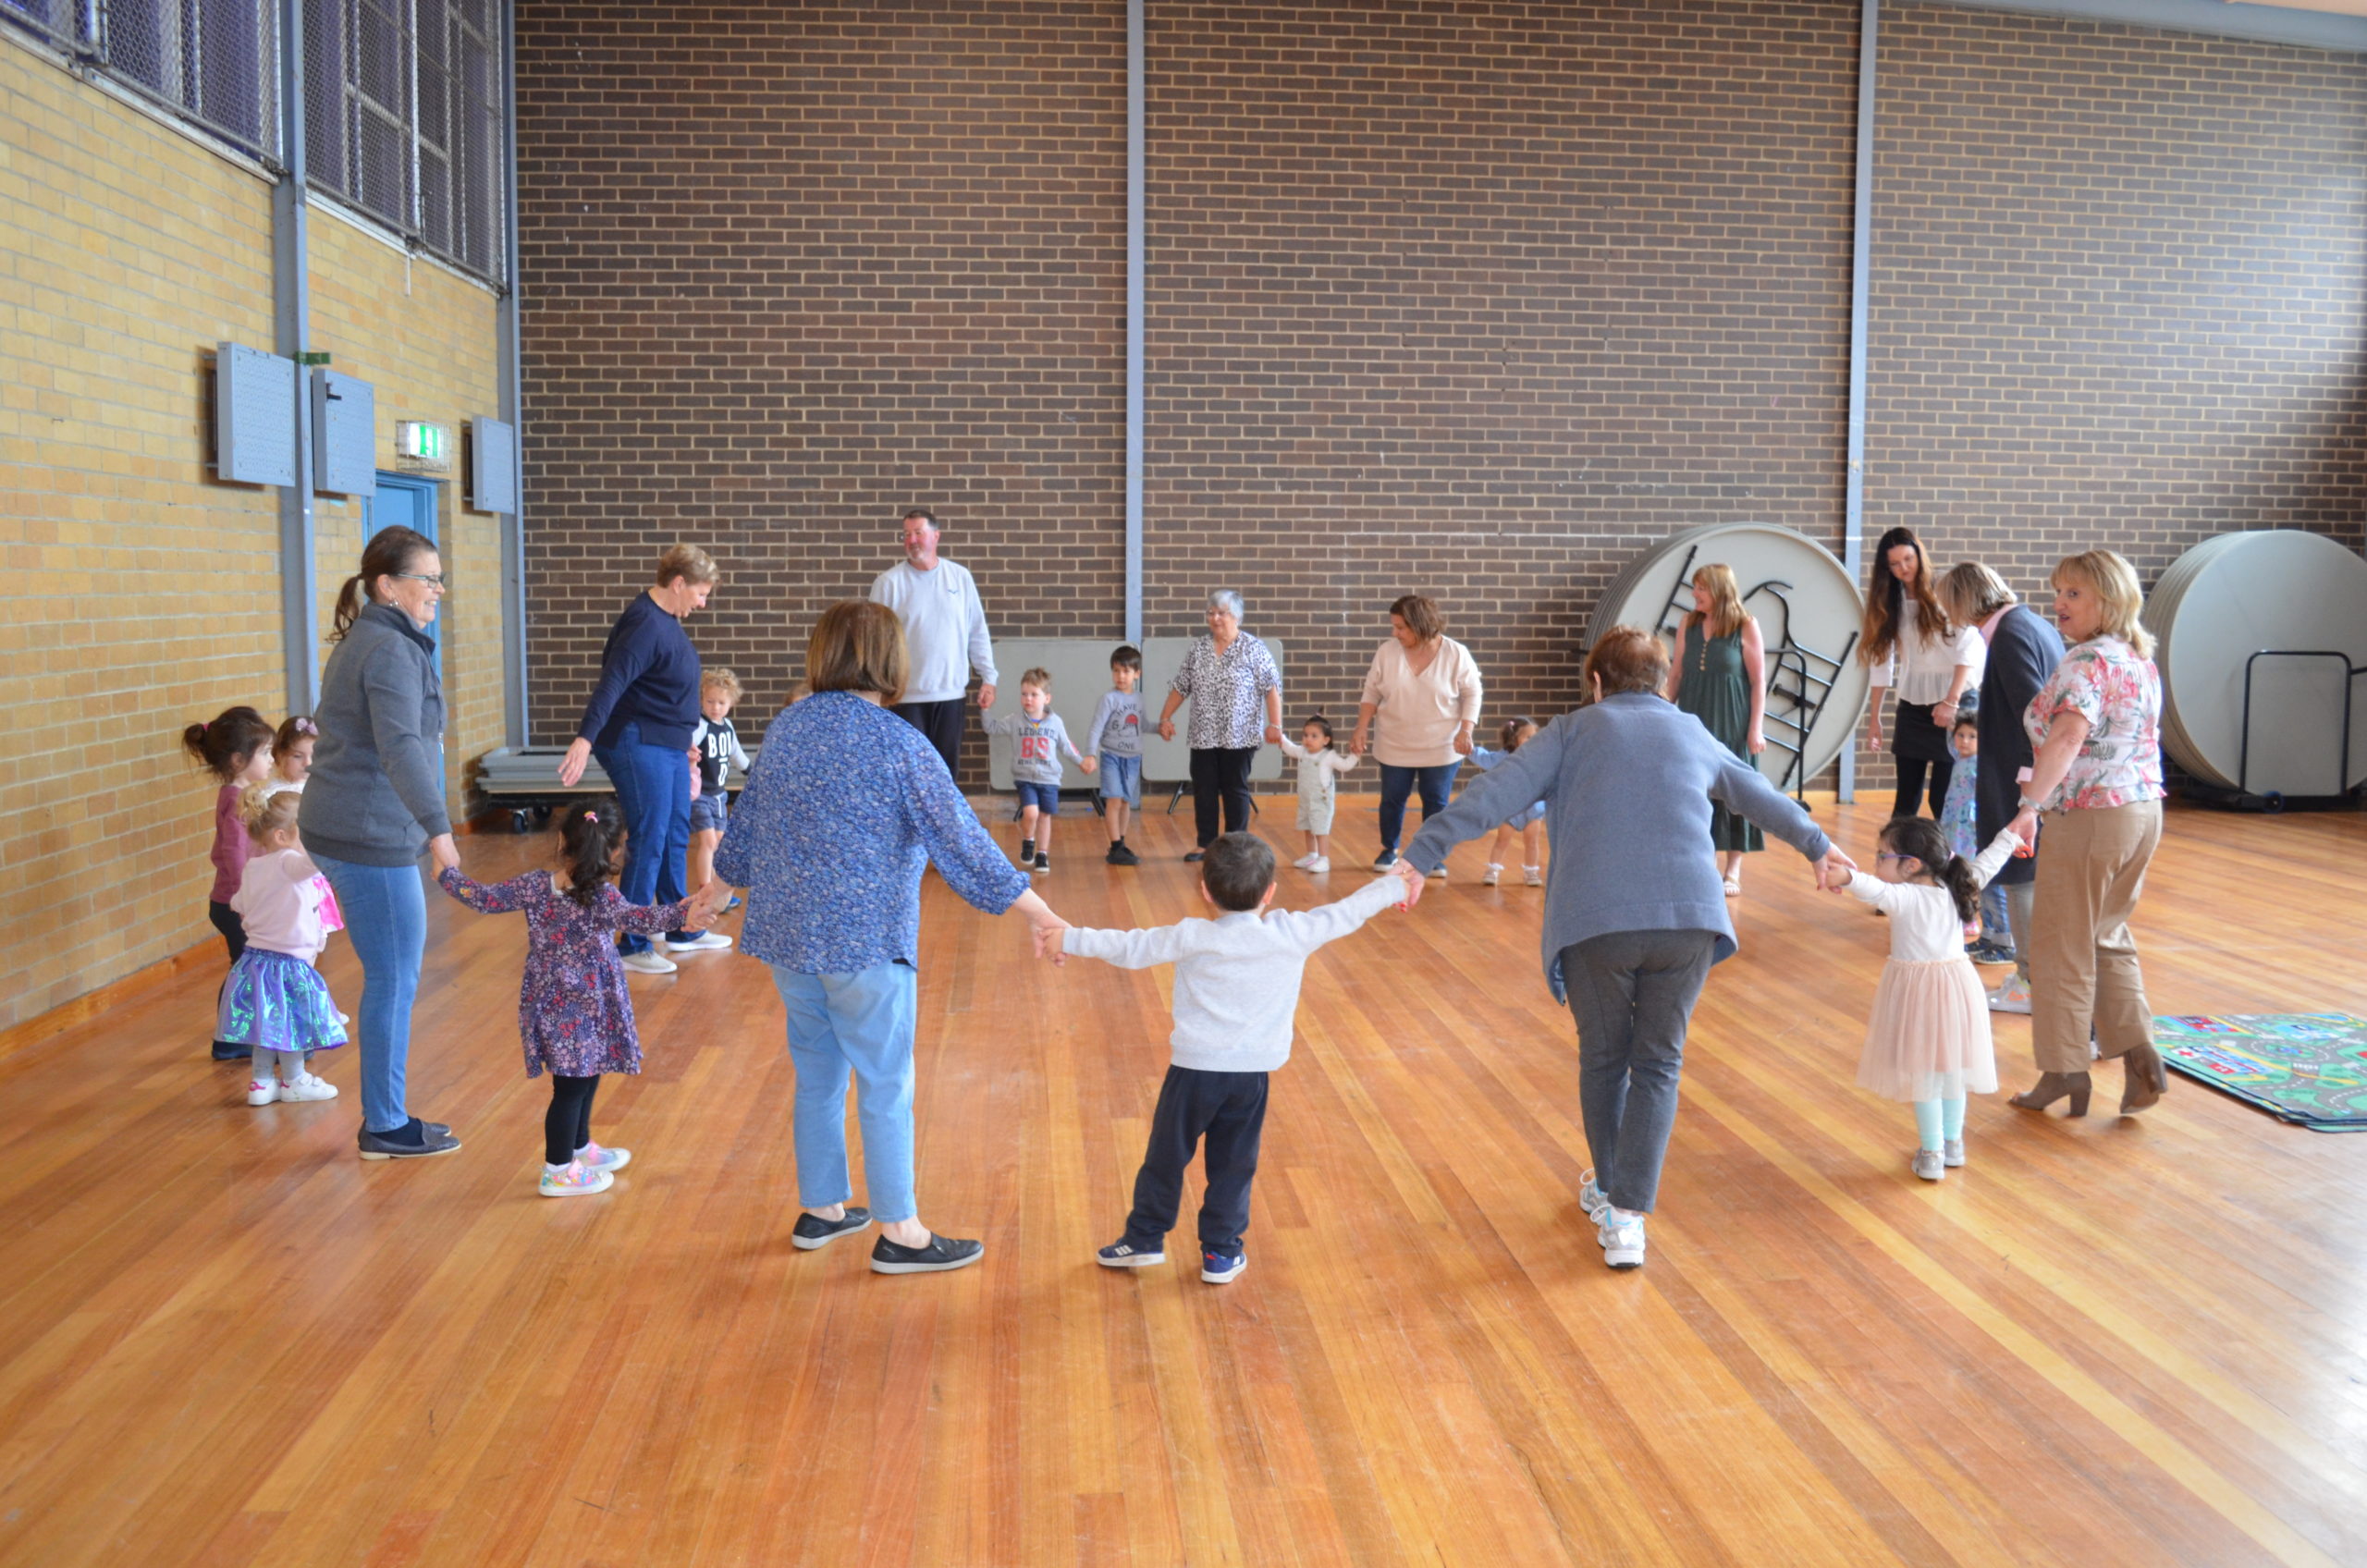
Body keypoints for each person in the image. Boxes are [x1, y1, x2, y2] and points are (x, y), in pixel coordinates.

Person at [1400, 627, 1853, 1271]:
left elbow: (1494, 795)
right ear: (1663, 681)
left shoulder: (1570, 730)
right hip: (1689, 921)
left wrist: (1423, 853)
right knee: (1659, 1064)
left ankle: (1618, 1202)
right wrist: (1816, 844)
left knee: (1607, 1060)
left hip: (1598, 924)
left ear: (1596, 682)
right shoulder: (1690, 729)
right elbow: (1756, 792)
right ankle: (1626, 1210)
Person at [711, 600, 1068, 1275]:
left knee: (817, 1076)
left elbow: (747, 824)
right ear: (891, 663)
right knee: (884, 1082)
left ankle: (822, 1210)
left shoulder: (788, 727)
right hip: (866, 947)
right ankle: (900, 1230)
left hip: (789, 942)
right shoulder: (899, 743)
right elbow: (961, 841)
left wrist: (719, 884)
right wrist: (1037, 910)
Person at [1040, 833, 1411, 1285]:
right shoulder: (1292, 933)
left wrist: (1067, 936)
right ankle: (1221, 1252)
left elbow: (1129, 946)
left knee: (1165, 1157)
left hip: (1193, 1073)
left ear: (1205, 890)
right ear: (1270, 892)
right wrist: (1395, 884)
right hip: (1250, 1078)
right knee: (1234, 1165)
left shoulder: (1193, 936)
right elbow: (1347, 912)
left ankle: (1143, 1240)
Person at [438, 800, 726, 1198]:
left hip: (556, 1002)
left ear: (562, 840)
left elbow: (483, 898)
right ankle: (558, 1170)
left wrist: (447, 875)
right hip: (583, 1004)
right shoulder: (603, 898)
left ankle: (578, 1149)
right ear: (615, 851)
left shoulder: (537, 887)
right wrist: (685, 911)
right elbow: (642, 920)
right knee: (572, 1087)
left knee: (584, 1075)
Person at [300, 524, 463, 1159]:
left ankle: (385, 1116)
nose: (438, 590)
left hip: (347, 823)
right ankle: (384, 1125)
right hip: (366, 834)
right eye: (428, 578)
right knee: (393, 978)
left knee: (390, 975)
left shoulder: (374, 636)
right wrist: (439, 828)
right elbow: (399, 747)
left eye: (439, 578)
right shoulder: (389, 649)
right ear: (387, 585)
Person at [2005, 550, 2169, 1119]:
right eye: (2059, 592)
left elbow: (2068, 737)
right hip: (2142, 812)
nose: (2059, 604)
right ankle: (2141, 1052)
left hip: (2092, 816)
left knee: (2059, 944)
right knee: (2106, 933)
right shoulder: (2137, 660)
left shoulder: (2085, 663)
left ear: (2109, 599)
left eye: (2074, 594)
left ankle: (2064, 1069)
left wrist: (2029, 808)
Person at [558, 544, 724, 975]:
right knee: (650, 835)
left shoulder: (666, 620)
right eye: (701, 594)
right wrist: (584, 739)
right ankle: (630, 943)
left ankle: (676, 926)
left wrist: (680, 737)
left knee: (672, 833)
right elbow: (611, 685)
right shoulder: (645, 623)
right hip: (635, 741)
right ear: (679, 582)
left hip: (664, 743)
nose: (703, 603)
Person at [1827, 815, 2024, 1178]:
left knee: (1925, 1074)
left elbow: (1872, 888)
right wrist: (2011, 835)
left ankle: (1932, 1153)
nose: (1875, 860)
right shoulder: (1959, 885)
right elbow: (1988, 863)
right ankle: (1954, 1145)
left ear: (1911, 865)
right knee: (1952, 1069)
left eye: (1881, 855)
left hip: (1919, 994)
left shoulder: (1905, 896)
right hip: (1958, 988)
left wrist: (1846, 876)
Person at [1936, 560, 2065, 1015]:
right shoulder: (2028, 624)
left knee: (2021, 877)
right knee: (2025, 878)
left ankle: (2030, 981)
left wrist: (2031, 788)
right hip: (2028, 777)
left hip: (2023, 780)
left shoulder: (2010, 636)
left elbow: (2036, 716)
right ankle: (2031, 976)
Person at [220, 787, 345, 1107]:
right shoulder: (289, 861)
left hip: (255, 961)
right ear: (281, 836)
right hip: (288, 963)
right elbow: (314, 865)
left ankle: (261, 1083)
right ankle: (294, 1080)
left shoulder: (253, 867)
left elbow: (238, 902)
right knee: (291, 1022)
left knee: (267, 1022)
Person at [1351, 594, 1481, 872]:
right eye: (1394, 626)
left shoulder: (1456, 653)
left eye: (1400, 627)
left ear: (1421, 625)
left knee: (1436, 801)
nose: (1394, 633)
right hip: (1394, 743)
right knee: (1392, 798)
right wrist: (1361, 727)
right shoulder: (1387, 652)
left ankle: (1432, 855)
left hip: (1441, 745)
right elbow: (1371, 692)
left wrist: (1466, 729)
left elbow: (1472, 693)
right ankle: (1389, 849)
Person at [1859, 526, 1981, 819]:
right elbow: (1881, 660)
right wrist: (1874, 717)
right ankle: (1898, 861)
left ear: (1919, 554)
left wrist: (1951, 702)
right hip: (1914, 704)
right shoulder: (1890, 600)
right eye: (1894, 564)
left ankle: (1952, 863)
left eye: (1908, 559)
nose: (1903, 568)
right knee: (1905, 800)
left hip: (1958, 697)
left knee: (1944, 799)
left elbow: (1968, 646)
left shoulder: (1944, 589)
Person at [867, 508, 997, 778]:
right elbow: (875, 642)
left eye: (918, 533)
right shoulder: (888, 583)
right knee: (910, 774)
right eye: (906, 534)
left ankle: (944, 822)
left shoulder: (960, 578)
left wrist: (988, 677)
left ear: (936, 536)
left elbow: (976, 631)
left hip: (950, 695)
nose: (912, 540)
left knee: (946, 773)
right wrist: (875, 689)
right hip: (905, 697)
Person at [1157, 590, 1282, 863]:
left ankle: (1236, 847)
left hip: (1240, 734)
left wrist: (1275, 724)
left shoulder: (1253, 648)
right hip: (1203, 733)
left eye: (1221, 613)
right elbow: (1181, 686)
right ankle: (1206, 844)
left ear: (1236, 616)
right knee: (1204, 788)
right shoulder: (1199, 649)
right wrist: (1165, 718)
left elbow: (1271, 688)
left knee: (1235, 789)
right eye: (1210, 613)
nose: (1214, 618)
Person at [1666, 564, 1768, 897]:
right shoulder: (1688, 623)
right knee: (1695, 790)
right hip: (1694, 717)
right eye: (1695, 587)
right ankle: (1703, 863)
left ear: (1720, 590)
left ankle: (1733, 869)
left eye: (1702, 588)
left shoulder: (1745, 625)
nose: (1695, 594)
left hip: (1733, 721)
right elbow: (1677, 674)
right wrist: (1664, 714)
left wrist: (1756, 729)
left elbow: (1758, 682)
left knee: (1735, 792)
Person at [182, 704, 276, 1060]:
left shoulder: (241, 795)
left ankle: (235, 1037)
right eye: (265, 753)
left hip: (237, 901)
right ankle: (231, 1040)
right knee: (247, 970)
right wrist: (248, 898)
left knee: (246, 968)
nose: (270, 760)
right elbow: (235, 855)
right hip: (234, 903)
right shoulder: (236, 800)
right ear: (238, 760)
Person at [982, 668, 1094, 874]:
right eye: (1024, 694)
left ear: (1046, 698)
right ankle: (1028, 840)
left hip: (1049, 779)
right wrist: (985, 710)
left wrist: (1081, 761)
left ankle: (1042, 854)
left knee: (1044, 816)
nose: (1028, 699)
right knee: (1031, 812)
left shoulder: (1055, 723)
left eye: (1034, 694)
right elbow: (992, 728)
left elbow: (1066, 746)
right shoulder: (1015, 720)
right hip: (1025, 777)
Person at [1938, 712, 2013, 962]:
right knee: (1978, 883)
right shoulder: (1959, 758)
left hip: (1973, 830)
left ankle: (2005, 939)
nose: (1964, 741)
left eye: (1972, 736)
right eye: (1960, 735)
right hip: (1956, 829)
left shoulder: (1982, 764)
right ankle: (1988, 934)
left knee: (1990, 882)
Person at [689, 669, 752, 899]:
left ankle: (716, 889)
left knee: (719, 842)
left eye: (721, 702)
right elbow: (688, 744)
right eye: (710, 701)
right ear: (702, 700)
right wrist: (689, 751)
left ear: (732, 703)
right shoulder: (700, 725)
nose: (715, 707)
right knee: (707, 840)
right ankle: (705, 888)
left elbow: (737, 754)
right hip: (701, 794)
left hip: (719, 796)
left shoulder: (727, 726)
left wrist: (752, 774)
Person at [1464, 716, 1546, 888]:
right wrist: (1469, 749)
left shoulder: (1541, 758)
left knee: (1532, 841)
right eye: (1528, 737)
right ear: (1514, 739)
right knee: (1502, 840)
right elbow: (1486, 758)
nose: (1534, 741)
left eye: (1535, 737)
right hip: (1510, 810)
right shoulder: (1504, 758)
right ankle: (1492, 870)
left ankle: (1531, 872)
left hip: (1533, 810)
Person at [1275, 713, 1359, 874]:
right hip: (1306, 800)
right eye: (1306, 735)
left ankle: (1323, 859)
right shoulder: (1302, 752)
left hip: (1321, 801)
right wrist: (1281, 738)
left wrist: (1355, 755)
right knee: (1308, 827)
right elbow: (1290, 748)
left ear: (1326, 740)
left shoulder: (1328, 756)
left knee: (1320, 830)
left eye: (1314, 736)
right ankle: (1311, 855)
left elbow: (1345, 765)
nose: (1308, 739)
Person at [1087, 645, 1146, 866]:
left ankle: (1120, 843)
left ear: (1137, 673)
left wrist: (1160, 727)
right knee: (1113, 800)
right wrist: (1091, 754)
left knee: (1124, 801)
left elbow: (1142, 724)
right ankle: (1115, 846)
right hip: (1112, 755)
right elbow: (1096, 728)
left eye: (1126, 671)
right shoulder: (1109, 699)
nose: (1121, 676)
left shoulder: (1139, 698)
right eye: (1116, 671)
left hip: (1133, 758)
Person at [265, 715, 317, 797]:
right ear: (280, 756)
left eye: (314, 755)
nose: (308, 763)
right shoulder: (274, 793)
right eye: (298, 756)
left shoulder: (321, 785)